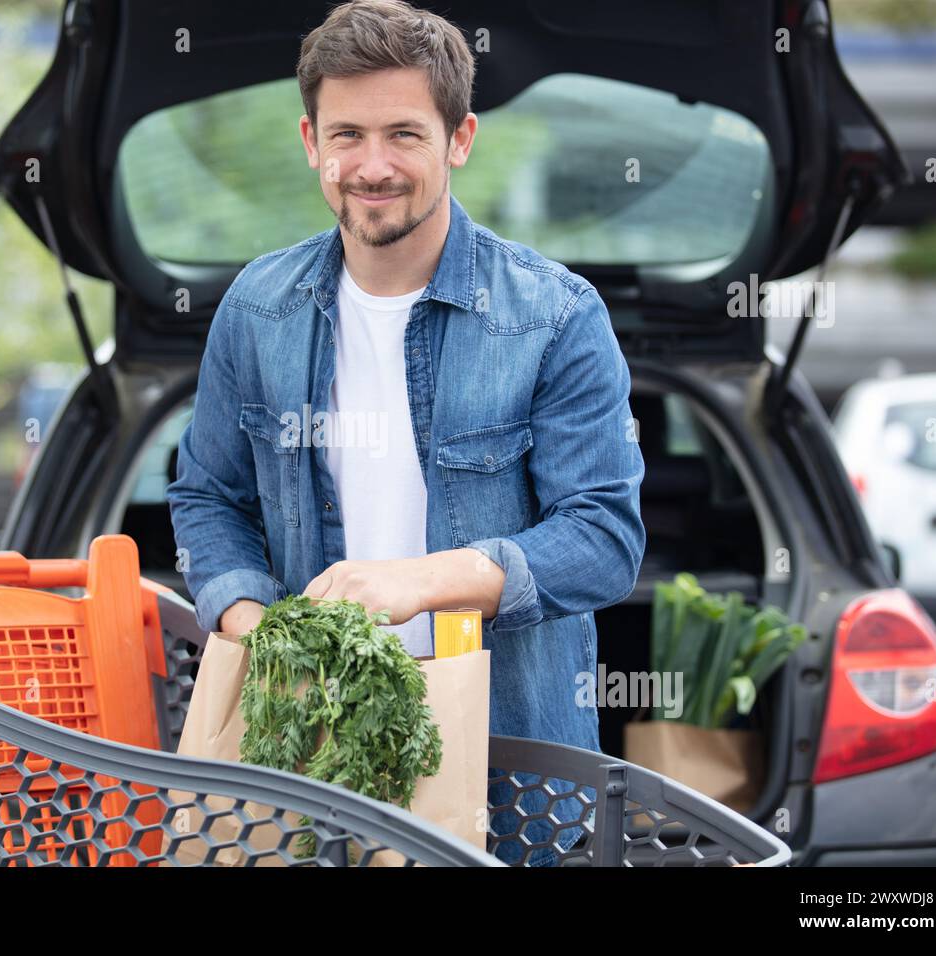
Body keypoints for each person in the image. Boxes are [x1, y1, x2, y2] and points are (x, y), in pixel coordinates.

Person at [166, 0, 644, 865]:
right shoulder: (257, 309)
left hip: (512, 777)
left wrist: (420, 583)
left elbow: (605, 538)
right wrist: (252, 622)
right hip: (304, 760)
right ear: (310, 142)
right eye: (346, 134)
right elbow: (206, 496)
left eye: (405, 135)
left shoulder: (554, 316)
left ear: (459, 138)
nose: (372, 165)